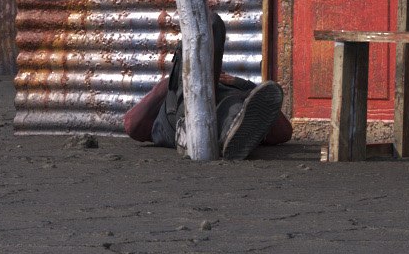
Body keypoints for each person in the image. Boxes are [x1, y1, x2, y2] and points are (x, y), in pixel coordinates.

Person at [123, 14, 292, 159]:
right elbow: (132, 124)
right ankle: (207, 131)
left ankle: (228, 134)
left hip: (221, 113)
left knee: (233, 107)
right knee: (211, 22)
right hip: (180, 116)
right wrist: (173, 81)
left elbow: (284, 133)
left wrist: (242, 85)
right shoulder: (171, 92)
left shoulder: (232, 90)